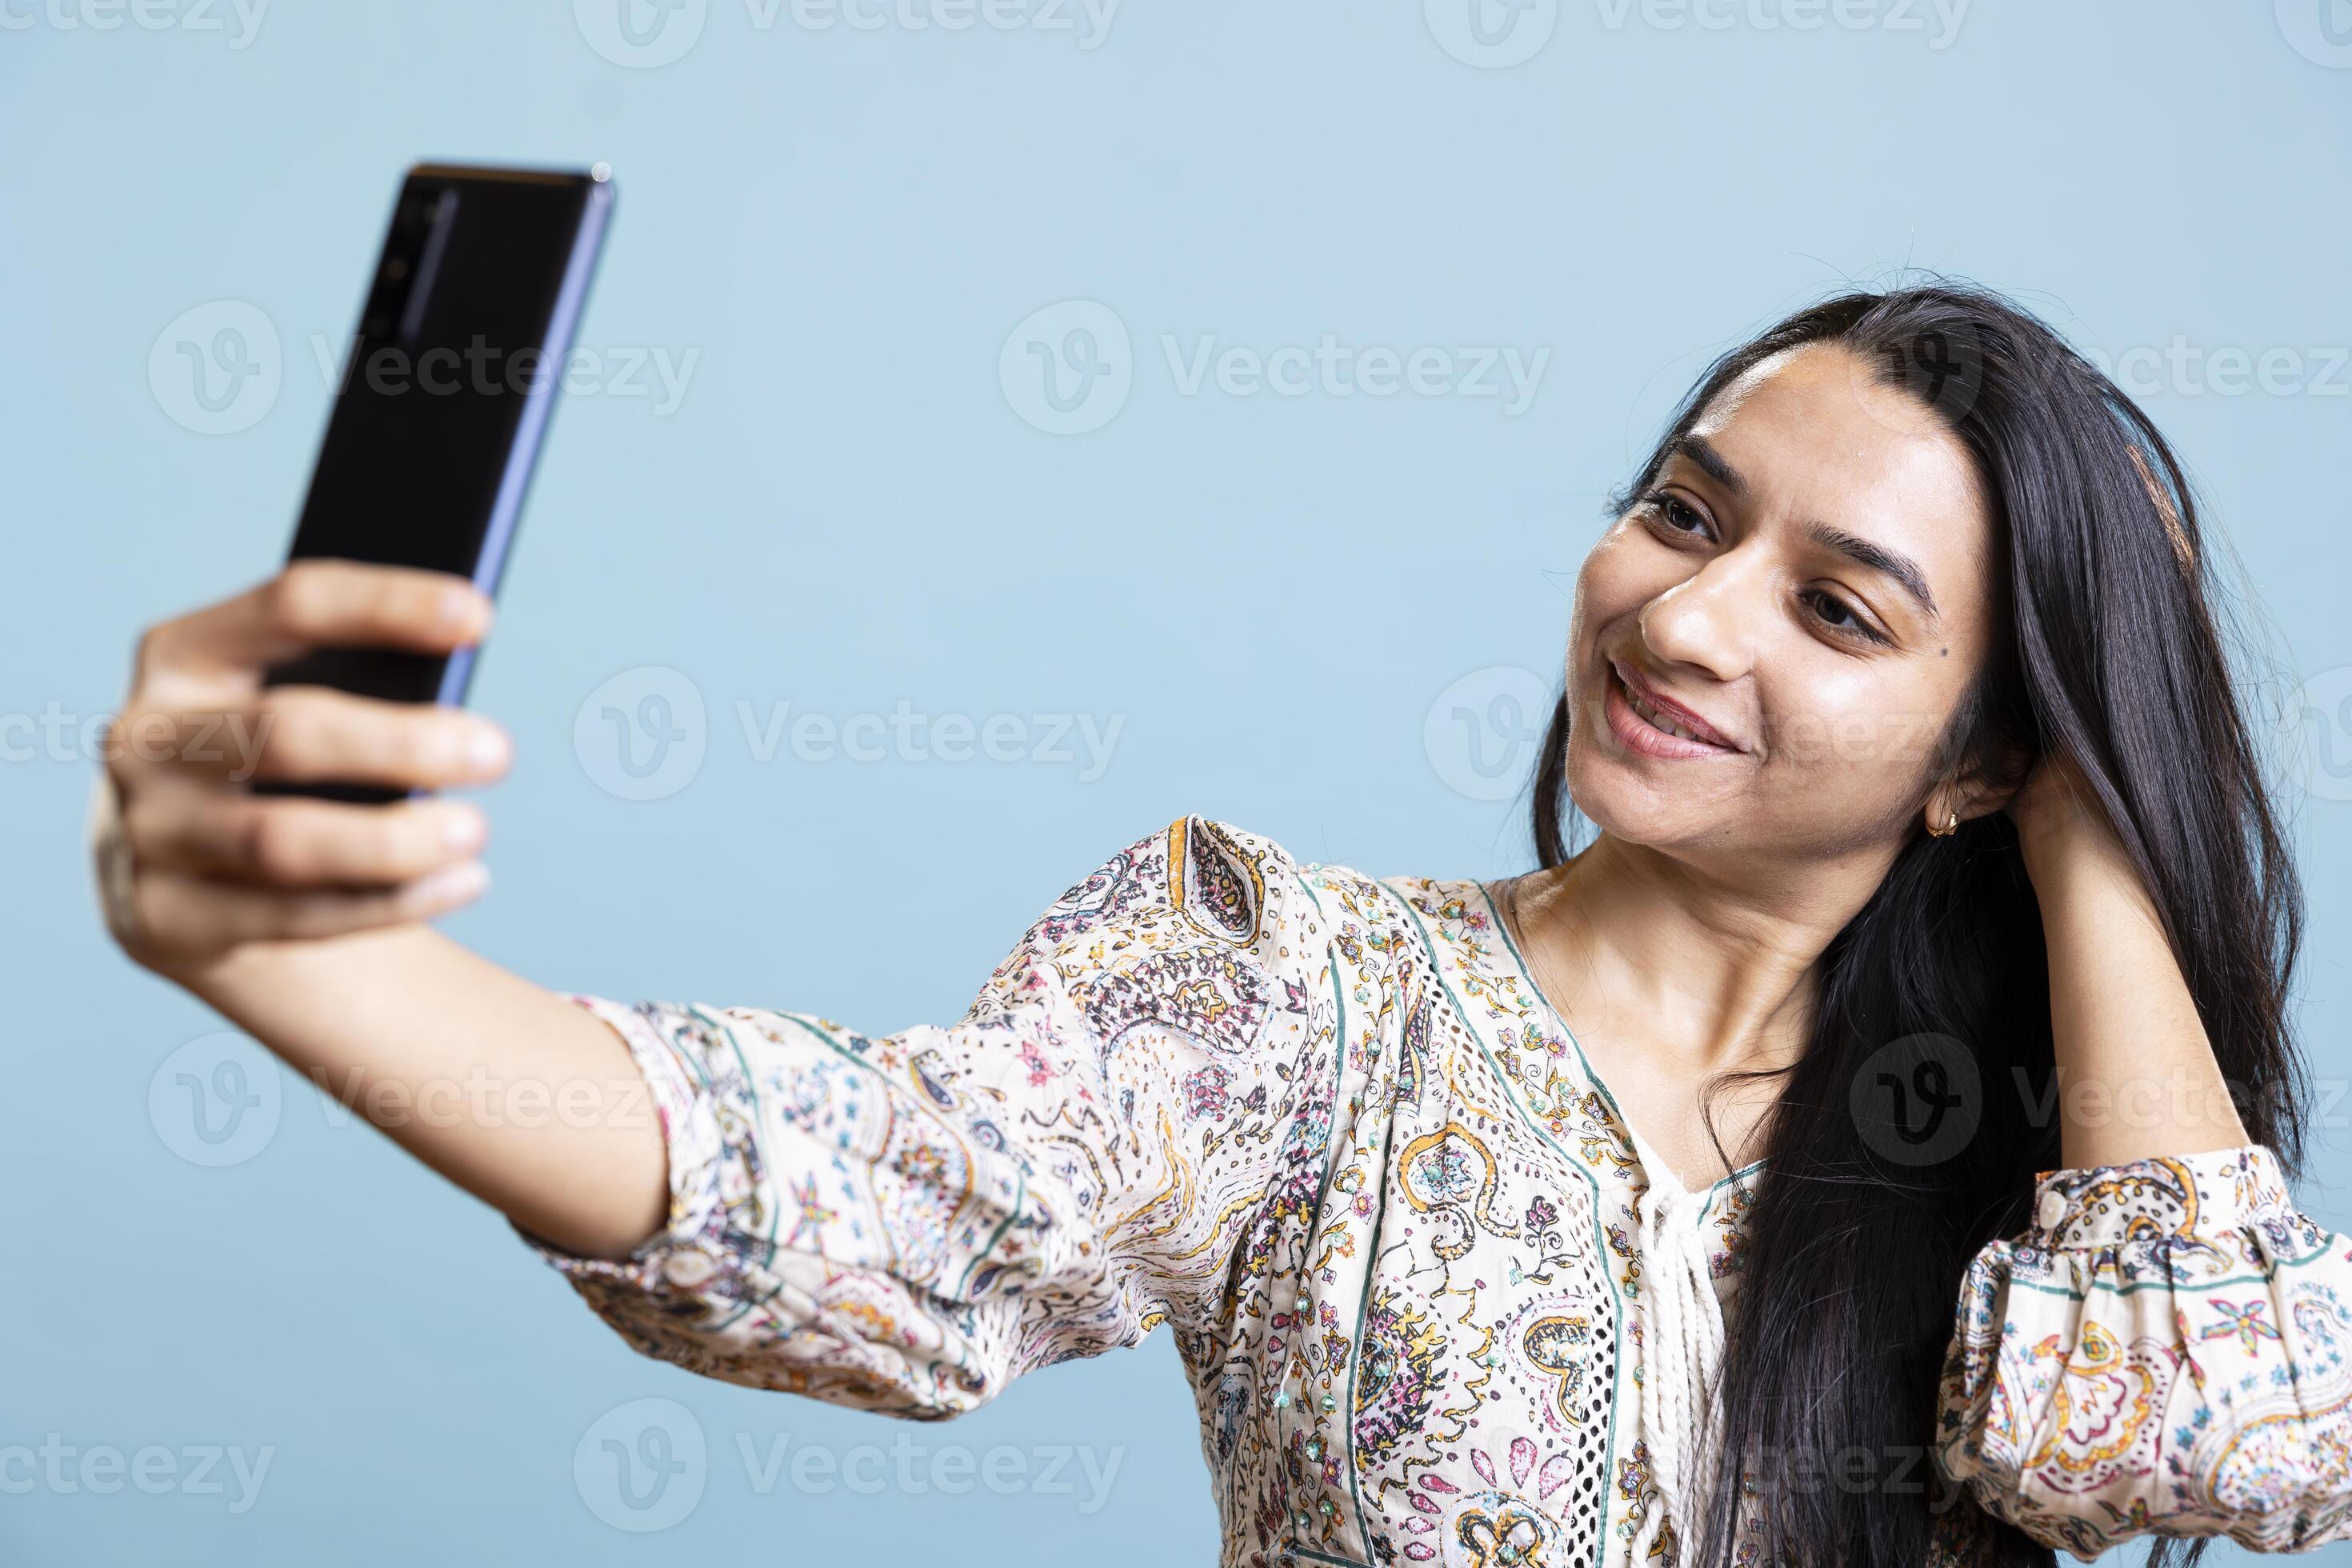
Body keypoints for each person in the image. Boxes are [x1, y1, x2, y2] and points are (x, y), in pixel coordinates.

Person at [91, 282, 2352, 1568]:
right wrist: (304, 961)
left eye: (1835, 607)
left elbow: (2203, 1446)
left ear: (1981, 755)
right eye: (1679, 508)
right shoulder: (1288, 984)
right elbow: (902, 1216)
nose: (1679, 612)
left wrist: (2087, 830)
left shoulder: (2060, 1154)